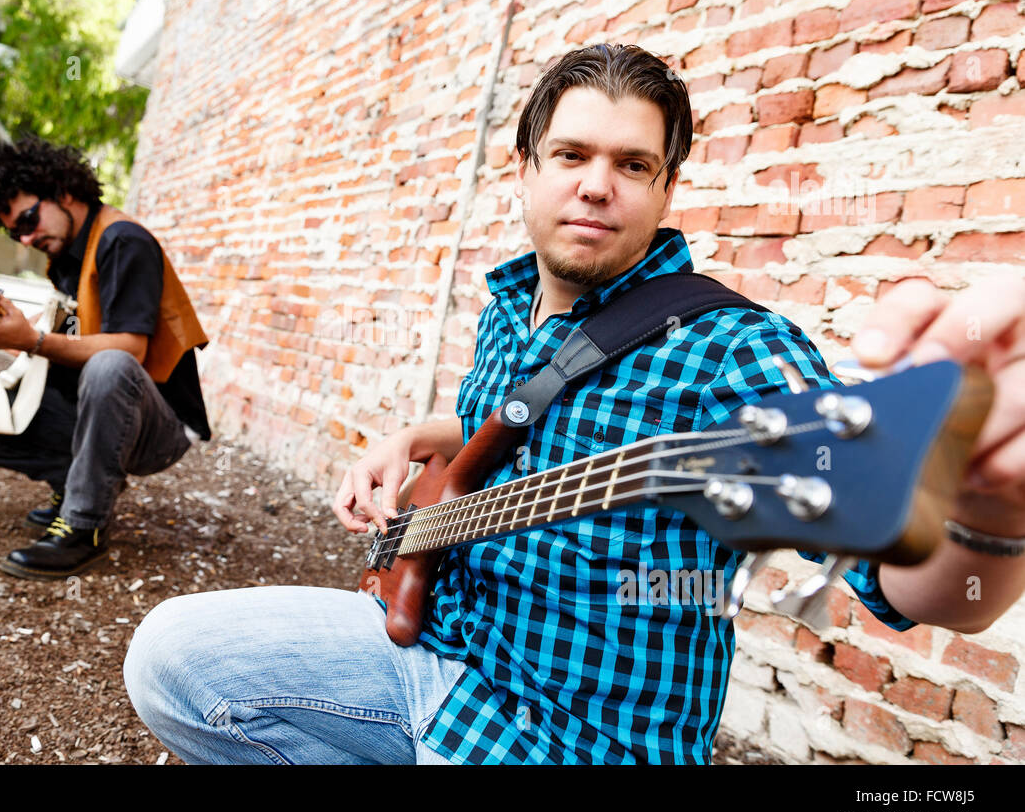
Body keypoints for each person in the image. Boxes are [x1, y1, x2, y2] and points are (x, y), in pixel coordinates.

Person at [123, 45, 1025, 763]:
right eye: (572, 154)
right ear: (525, 170)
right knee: (169, 658)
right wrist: (414, 437)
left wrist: (986, 515)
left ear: (667, 187)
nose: (598, 184)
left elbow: (912, 579)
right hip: (436, 643)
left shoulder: (735, 352)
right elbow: (511, 428)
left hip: (559, 738)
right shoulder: (515, 303)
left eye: (633, 163)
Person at [0, 137, 211, 579]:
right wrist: (9, 335)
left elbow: (127, 350)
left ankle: (83, 527)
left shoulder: (123, 241)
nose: (29, 238)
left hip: (157, 428)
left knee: (110, 365)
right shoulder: (68, 251)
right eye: (18, 233)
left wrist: (33, 340)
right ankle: (74, 482)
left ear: (64, 192)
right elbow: (70, 327)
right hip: (98, 414)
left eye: (30, 220)